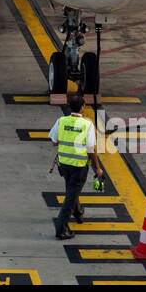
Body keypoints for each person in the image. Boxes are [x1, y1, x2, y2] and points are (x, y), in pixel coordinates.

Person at [48, 94, 105, 240]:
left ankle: (78, 212)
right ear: (83, 107)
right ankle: (61, 228)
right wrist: (97, 168)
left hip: (64, 164)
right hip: (79, 167)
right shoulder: (87, 124)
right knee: (70, 196)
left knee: (72, 190)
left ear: (68, 106)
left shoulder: (61, 121)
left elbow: (54, 141)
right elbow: (91, 149)